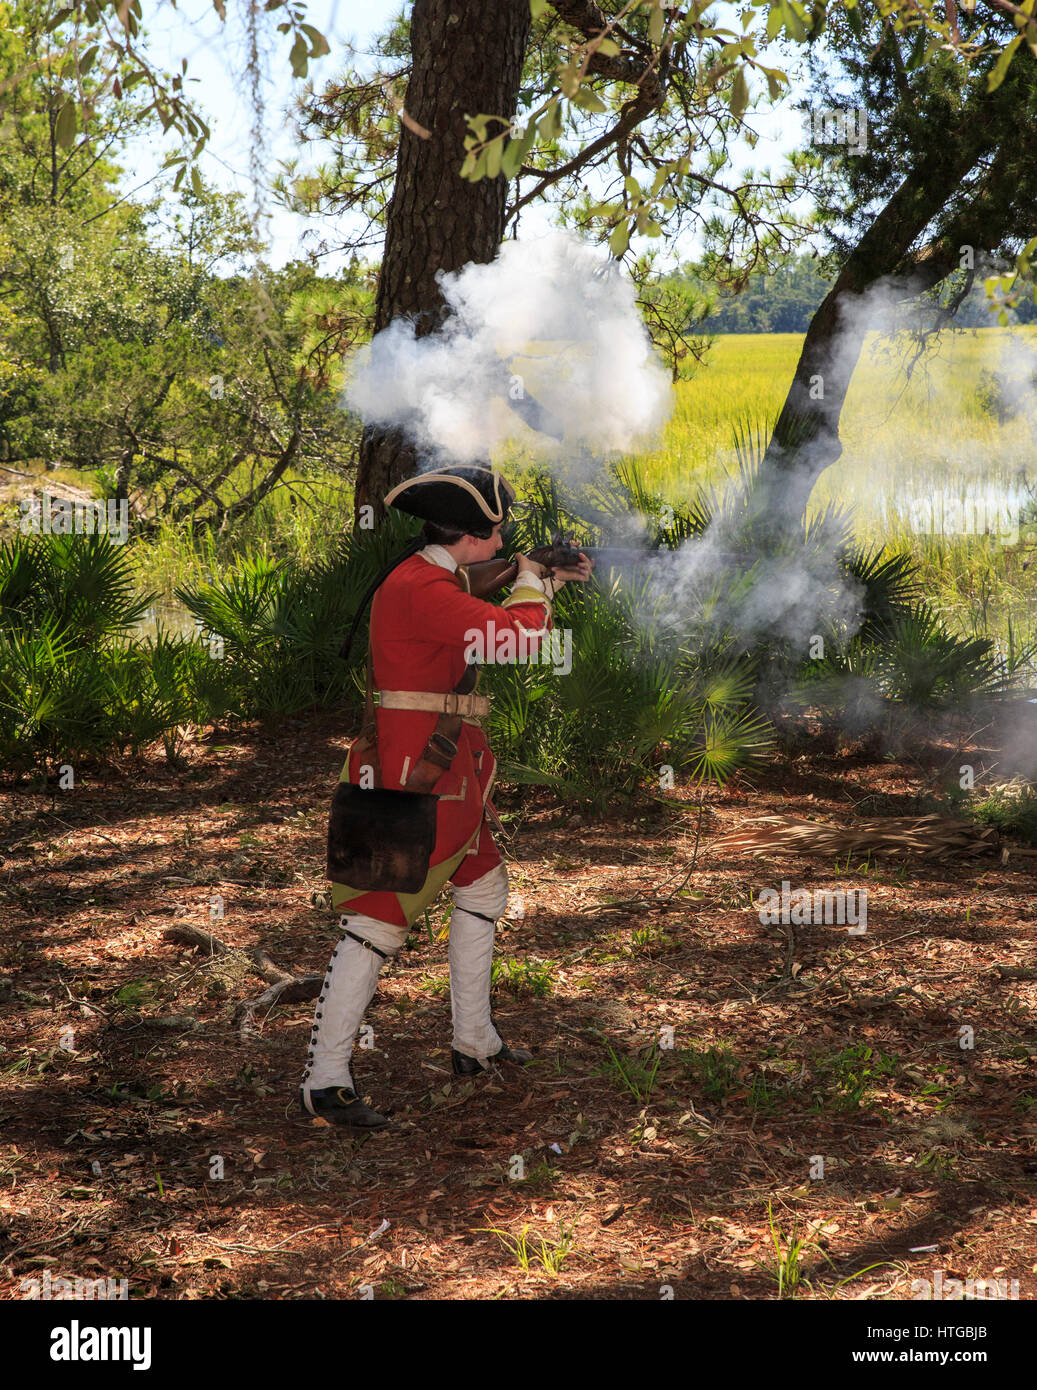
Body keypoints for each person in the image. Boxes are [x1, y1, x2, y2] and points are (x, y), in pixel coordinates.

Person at [300, 464, 592, 1128]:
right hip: (412, 783)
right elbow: (515, 639)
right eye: (497, 534)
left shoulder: (431, 578)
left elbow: (480, 598)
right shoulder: (421, 589)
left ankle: (474, 1041)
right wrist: (528, 579)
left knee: (484, 887)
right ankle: (323, 1082)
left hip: (446, 779)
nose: (502, 542)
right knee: (372, 927)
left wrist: (536, 574)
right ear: (472, 535)